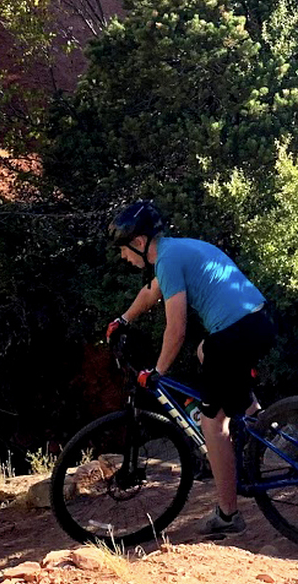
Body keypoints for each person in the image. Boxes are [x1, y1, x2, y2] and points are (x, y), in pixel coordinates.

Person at [105, 201, 276, 538]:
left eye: (124, 250)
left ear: (138, 242)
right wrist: (122, 320)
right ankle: (255, 417)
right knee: (204, 351)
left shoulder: (167, 260)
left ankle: (228, 515)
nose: (124, 258)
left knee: (213, 423)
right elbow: (151, 292)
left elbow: (177, 329)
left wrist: (157, 372)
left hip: (236, 332)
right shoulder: (174, 250)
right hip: (256, 322)